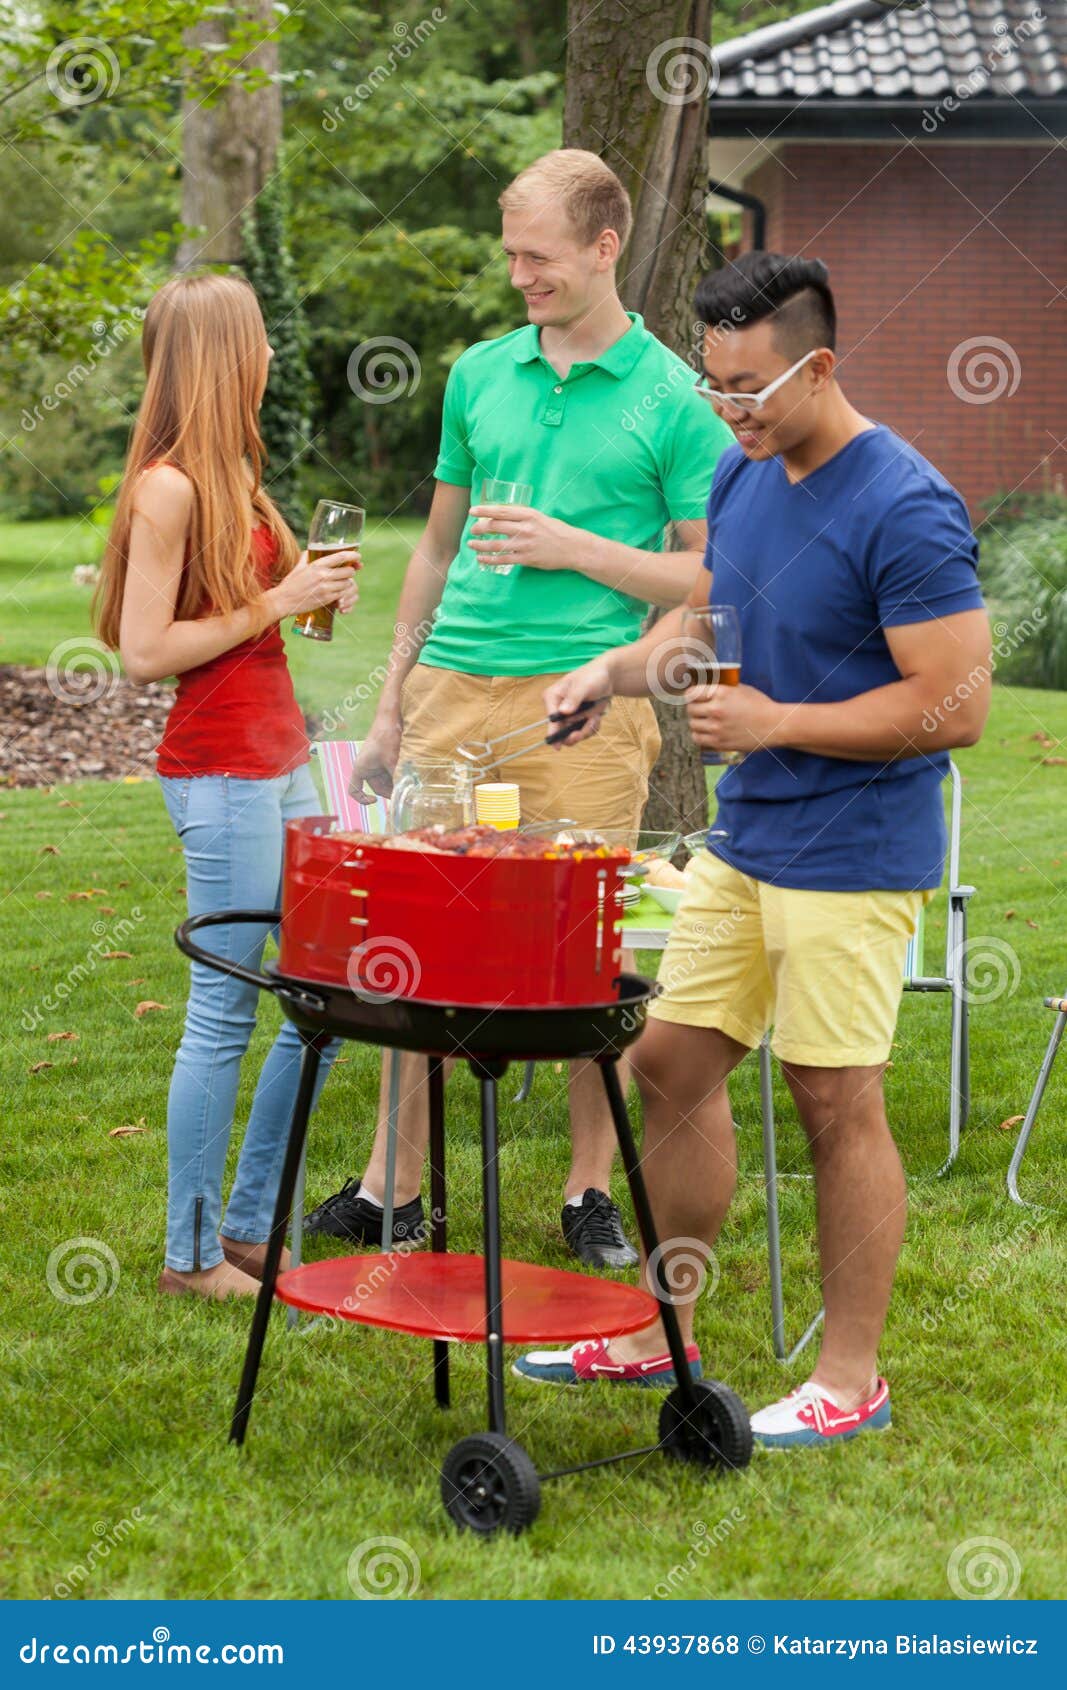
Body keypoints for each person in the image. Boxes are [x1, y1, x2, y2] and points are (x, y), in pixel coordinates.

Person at [512, 252, 992, 1446]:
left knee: (831, 1098)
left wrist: (775, 721)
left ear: (817, 365)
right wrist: (609, 670)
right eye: (714, 387)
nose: (726, 412)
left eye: (746, 389)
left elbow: (956, 703)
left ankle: (849, 1376)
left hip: (856, 847)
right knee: (664, 1068)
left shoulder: (905, 503)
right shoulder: (741, 471)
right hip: (749, 836)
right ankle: (648, 1332)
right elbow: (703, 617)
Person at [304, 148, 732, 1269]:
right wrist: (394, 704)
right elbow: (435, 550)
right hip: (451, 688)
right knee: (416, 938)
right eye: (508, 253)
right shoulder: (480, 373)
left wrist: (576, 549)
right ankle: (397, 1187)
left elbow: (713, 579)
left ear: (604, 248)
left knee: (580, 949)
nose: (517, 277)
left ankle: (587, 1188)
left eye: (535, 257)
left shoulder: (676, 400)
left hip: (582, 704)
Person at [94, 272, 359, 1300]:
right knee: (224, 1011)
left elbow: (273, 606)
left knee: (325, 996)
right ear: (219, 354)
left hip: (281, 760)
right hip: (219, 771)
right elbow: (145, 652)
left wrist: (309, 594)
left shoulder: (238, 472)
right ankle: (191, 1254)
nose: (270, 357)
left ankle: (251, 1225)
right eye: (256, 341)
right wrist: (281, 597)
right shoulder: (169, 486)